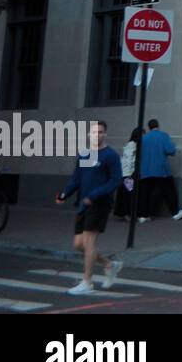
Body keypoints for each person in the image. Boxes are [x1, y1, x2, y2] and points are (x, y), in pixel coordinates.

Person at [56, 120, 123, 295]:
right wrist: (64, 194)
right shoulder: (86, 155)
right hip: (83, 203)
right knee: (79, 245)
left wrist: (95, 195)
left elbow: (116, 180)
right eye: (94, 132)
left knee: (89, 241)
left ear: (105, 134)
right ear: (89, 134)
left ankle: (87, 283)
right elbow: (77, 179)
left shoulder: (110, 155)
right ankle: (109, 264)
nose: (97, 135)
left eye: (101, 132)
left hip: (99, 203)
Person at [139, 119, 182, 221]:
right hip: (161, 169)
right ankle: (175, 213)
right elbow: (170, 150)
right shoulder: (163, 135)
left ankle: (143, 215)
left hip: (146, 170)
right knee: (169, 191)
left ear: (149, 127)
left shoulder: (143, 138)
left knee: (145, 193)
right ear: (158, 126)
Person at [113, 127, 142, 218]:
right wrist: (131, 173)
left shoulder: (130, 145)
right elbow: (129, 160)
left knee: (127, 194)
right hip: (128, 174)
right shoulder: (132, 145)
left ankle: (126, 214)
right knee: (130, 195)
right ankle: (129, 214)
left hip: (127, 173)